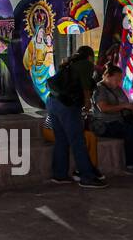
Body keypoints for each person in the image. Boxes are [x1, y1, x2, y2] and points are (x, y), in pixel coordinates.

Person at [45, 45, 106, 188]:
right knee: (77, 140)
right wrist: (87, 102)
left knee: (61, 140)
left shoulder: (68, 65)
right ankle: (87, 177)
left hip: (53, 102)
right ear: (90, 56)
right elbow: (85, 85)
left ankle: (59, 175)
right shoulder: (85, 64)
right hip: (67, 106)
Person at [89, 64, 133, 173]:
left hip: (120, 120)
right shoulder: (99, 89)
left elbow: (124, 103)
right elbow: (103, 108)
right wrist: (124, 106)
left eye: (120, 80)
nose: (118, 82)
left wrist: (131, 106)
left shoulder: (118, 89)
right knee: (131, 131)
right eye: (116, 79)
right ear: (107, 76)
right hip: (105, 123)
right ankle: (130, 164)